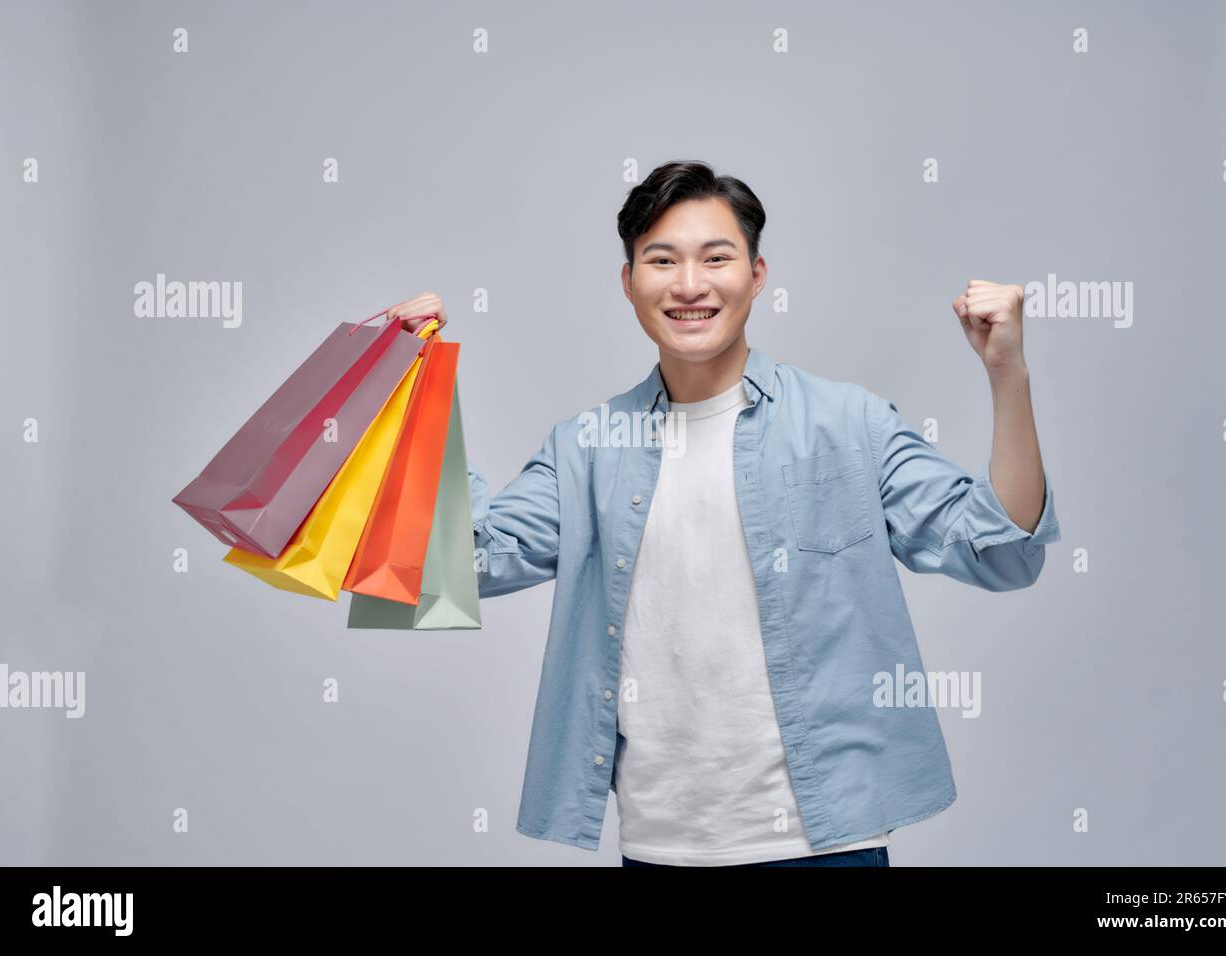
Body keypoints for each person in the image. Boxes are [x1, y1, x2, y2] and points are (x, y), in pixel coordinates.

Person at [385, 160, 1060, 867]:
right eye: (661, 260)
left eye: (716, 258)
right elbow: (460, 562)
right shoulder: (587, 449)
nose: (689, 285)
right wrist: (420, 383)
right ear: (628, 283)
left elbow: (1003, 551)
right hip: (657, 850)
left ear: (758, 274)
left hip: (825, 847)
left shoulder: (845, 424)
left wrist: (1007, 376)